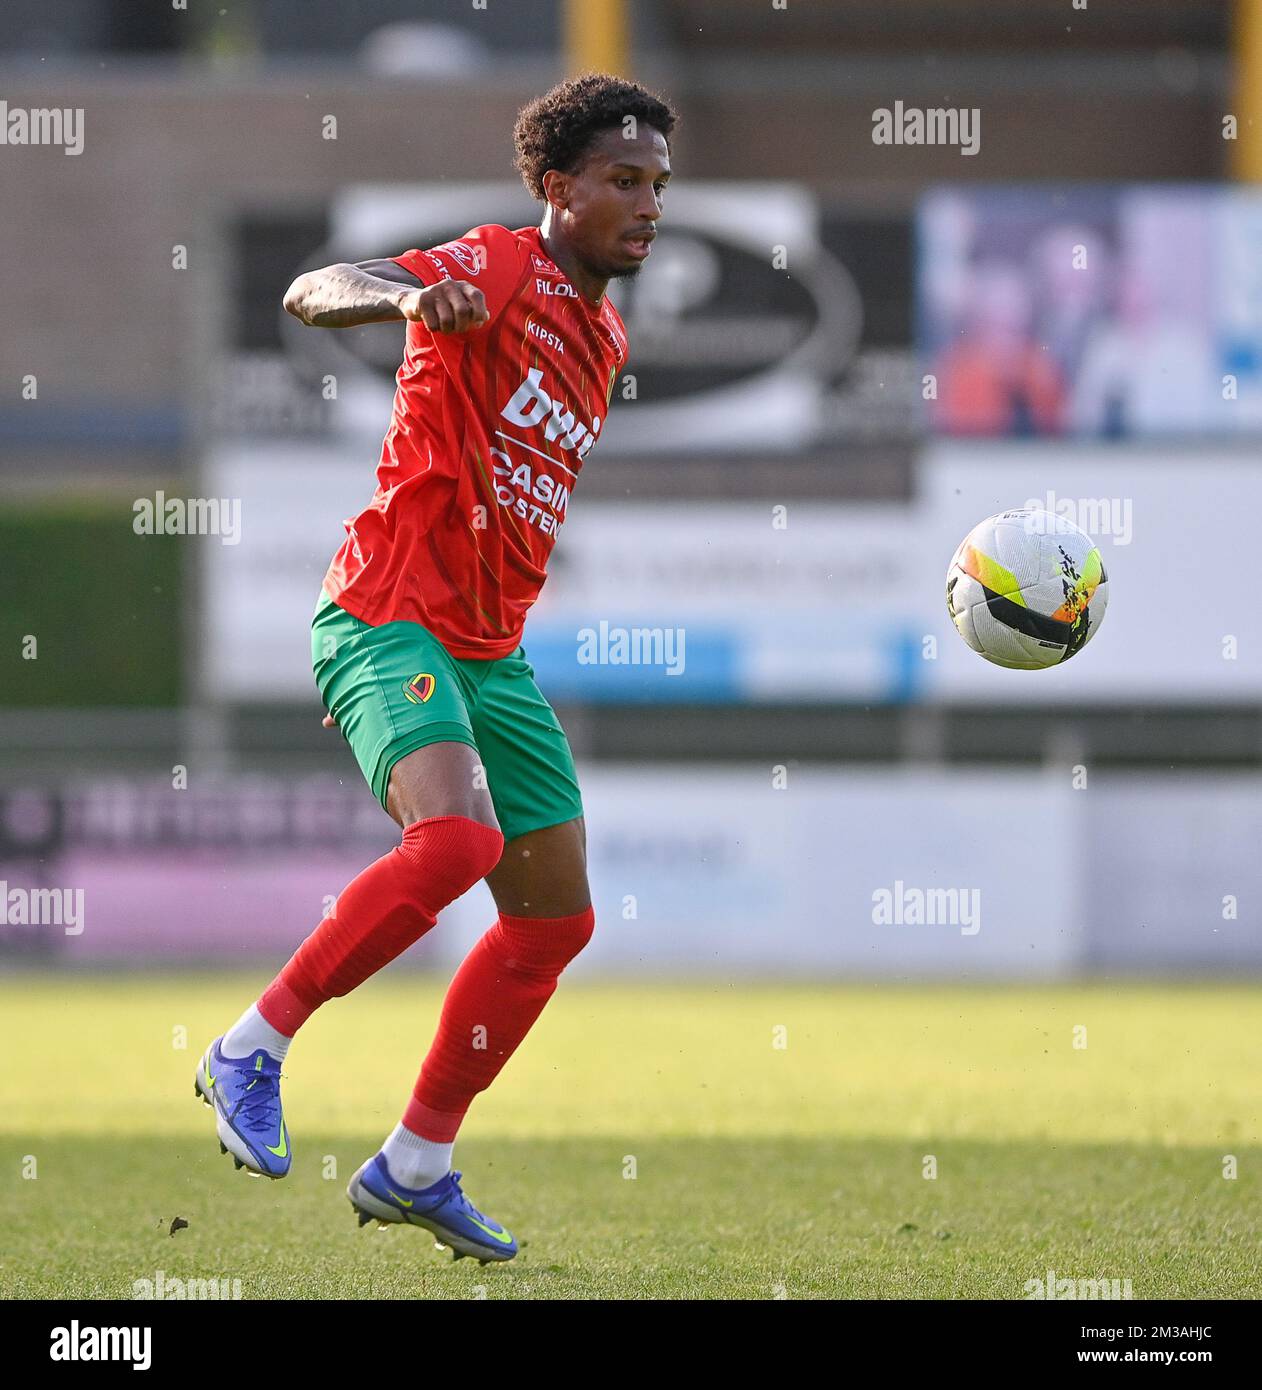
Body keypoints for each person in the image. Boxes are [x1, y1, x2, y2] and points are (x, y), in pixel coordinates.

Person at [194, 72, 677, 1265]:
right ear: (557, 189)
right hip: (385, 611)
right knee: (454, 845)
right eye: (623, 181)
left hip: (487, 653)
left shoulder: (603, 332)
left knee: (553, 920)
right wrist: (417, 300)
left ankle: (414, 1162)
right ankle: (251, 1045)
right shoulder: (503, 264)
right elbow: (319, 289)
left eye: (658, 185)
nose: (646, 204)